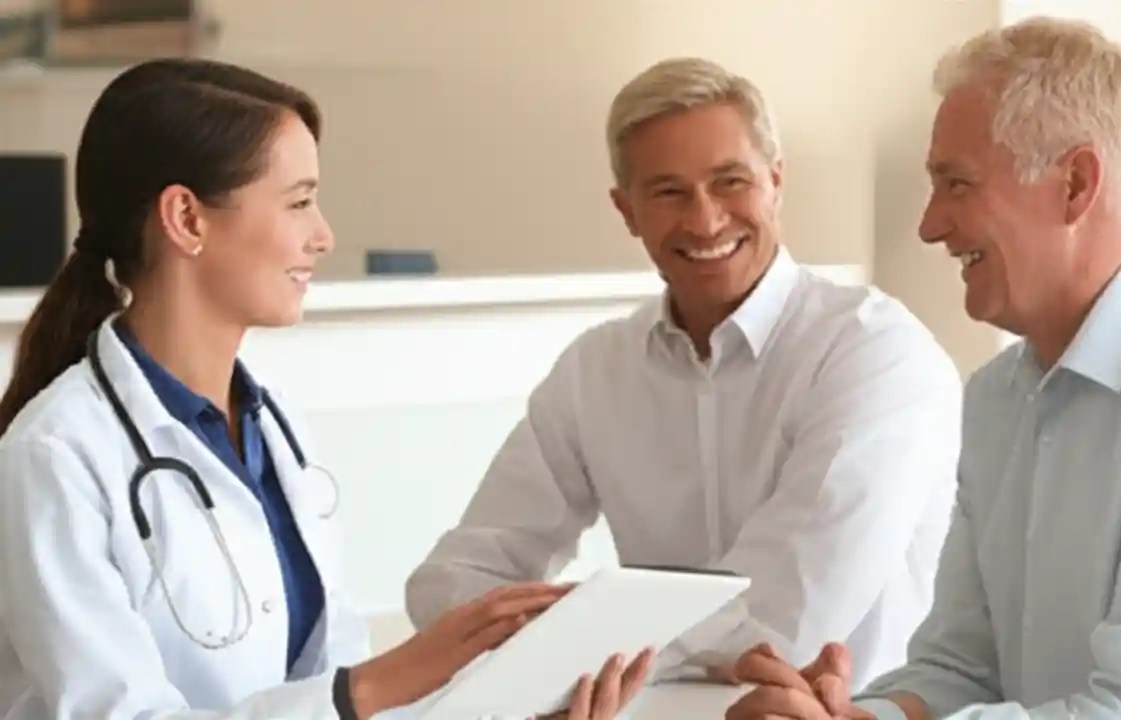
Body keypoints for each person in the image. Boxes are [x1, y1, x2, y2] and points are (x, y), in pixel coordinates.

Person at [0, 58, 649, 720]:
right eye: (299, 202)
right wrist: (375, 684)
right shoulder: (55, 456)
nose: (323, 236)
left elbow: (327, 694)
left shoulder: (272, 428)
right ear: (187, 219)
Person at [727, 16, 1121, 720]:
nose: (929, 225)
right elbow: (960, 669)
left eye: (956, 184)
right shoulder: (995, 398)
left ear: (1075, 184)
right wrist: (856, 715)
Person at [404, 56, 962, 690]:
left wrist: (575, 637)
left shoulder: (875, 351)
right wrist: (568, 631)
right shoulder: (595, 371)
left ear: (776, 182)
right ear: (626, 210)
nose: (705, 220)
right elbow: (454, 580)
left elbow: (786, 617)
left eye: (730, 182)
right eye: (669, 192)